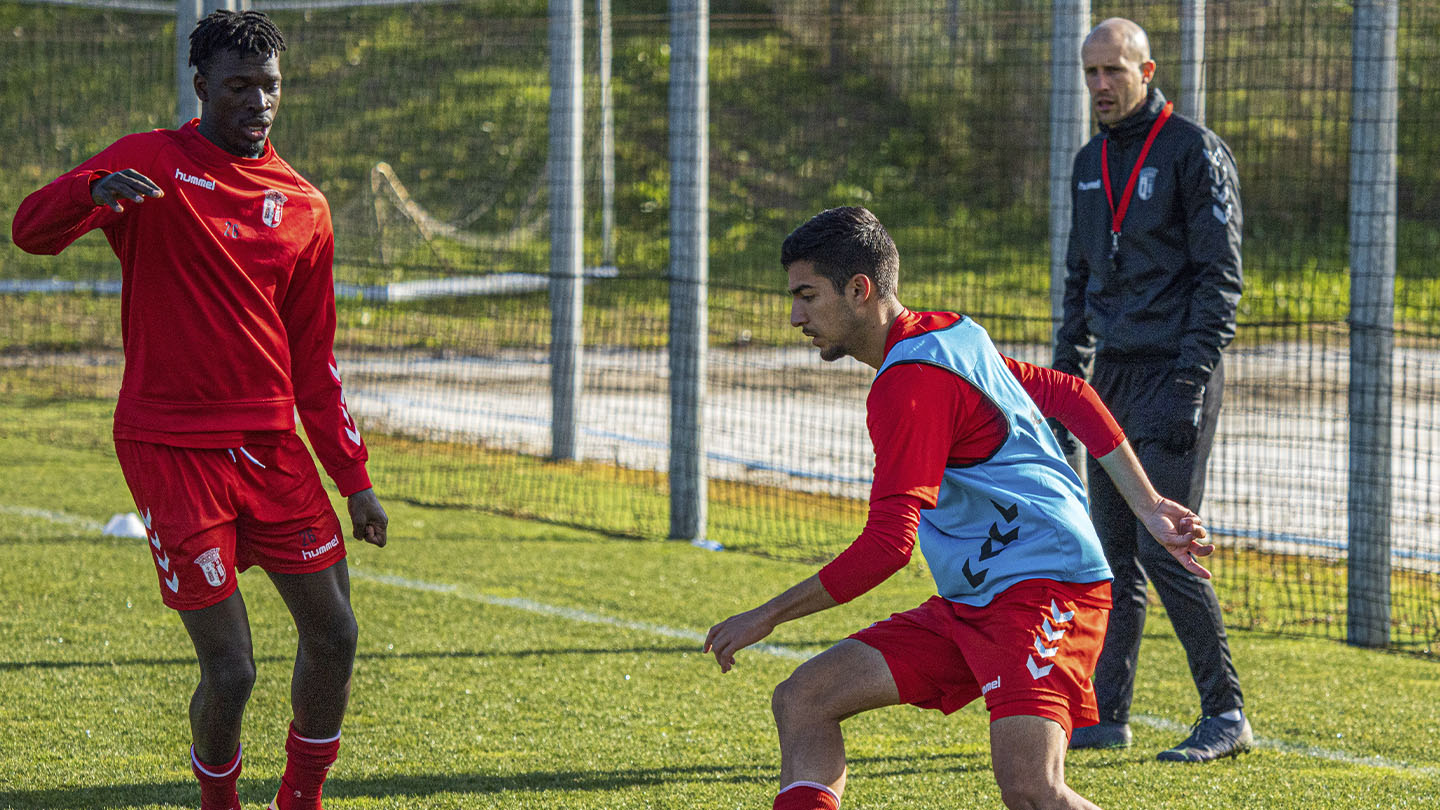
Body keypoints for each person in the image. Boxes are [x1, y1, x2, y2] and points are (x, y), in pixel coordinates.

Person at [705, 206, 1213, 810]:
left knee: (1032, 789)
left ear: (860, 290)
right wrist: (1148, 506)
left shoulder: (909, 384)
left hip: (1046, 589)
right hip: (975, 600)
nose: (795, 317)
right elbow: (1071, 393)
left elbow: (888, 548)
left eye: (807, 296)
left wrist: (766, 615)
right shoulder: (948, 334)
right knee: (803, 699)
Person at [11, 11, 387, 810]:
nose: (258, 101)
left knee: (336, 633)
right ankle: (220, 802)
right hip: (169, 447)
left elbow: (314, 363)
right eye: (239, 86)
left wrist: (354, 481)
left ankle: (302, 798)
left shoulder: (305, 206)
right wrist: (89, 192)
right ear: (202, 87)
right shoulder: (150, 162)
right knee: (232, 669)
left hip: (271, 450)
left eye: (269, 86)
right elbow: (30, 232)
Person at [1052, 18, 1249, 762]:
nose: (1101, 85)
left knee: (1165, 544)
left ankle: (1226, 713)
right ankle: (1106, 713)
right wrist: (1064, 386)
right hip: (1111, 378)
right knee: (1112, 551)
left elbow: (1220, 280)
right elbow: (1078, 282)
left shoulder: (1194, 151)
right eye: (1091, 72)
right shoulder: (1088, 161)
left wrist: (1189, 384)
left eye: (1114, 70)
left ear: (1147, 70)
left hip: (1175, 372)